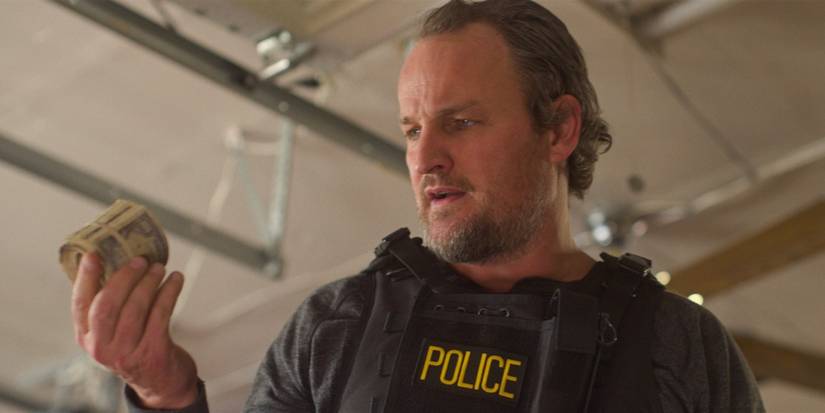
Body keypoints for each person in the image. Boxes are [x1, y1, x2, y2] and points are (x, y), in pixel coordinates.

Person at [69, 0, 765, 412]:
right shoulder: (335, 326)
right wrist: (166, 395)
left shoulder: (676, 344)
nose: (425, 156)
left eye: (461, 122)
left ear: (558, 129)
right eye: (410, 129)